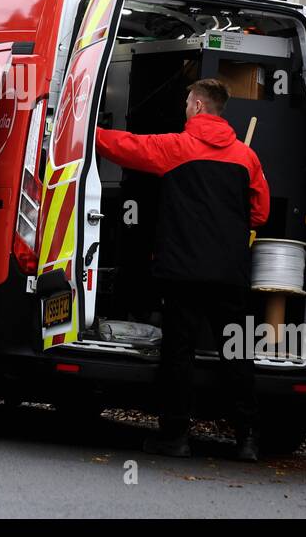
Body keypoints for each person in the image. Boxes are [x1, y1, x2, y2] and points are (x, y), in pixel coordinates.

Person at [95, 77, 270, 461]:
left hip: (183, 272)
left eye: (188, 102)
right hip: (229, 272)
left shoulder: (176, 148)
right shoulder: (246, 158)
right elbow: (260, 212)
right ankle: (248, 440)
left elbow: (127, 147)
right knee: (237, 353)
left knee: (179, 354)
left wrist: (87, 130)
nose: (185, 107)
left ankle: (175, 436)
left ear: (198, 107)